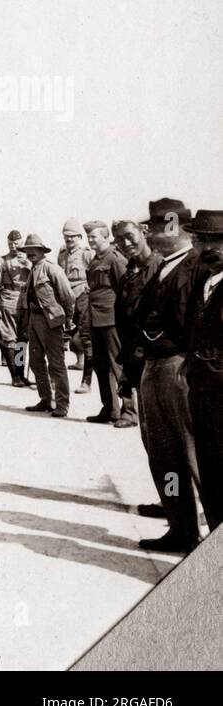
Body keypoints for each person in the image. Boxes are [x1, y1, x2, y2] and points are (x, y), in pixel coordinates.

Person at [124, 198, 201, 552]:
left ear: (173, 225)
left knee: (195, 456)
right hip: (153, 368)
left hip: (179, 368)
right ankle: (181, 527)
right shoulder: (160, 268)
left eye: (155, 226)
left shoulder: (198, 266)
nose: (149, 232)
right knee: (164, 456)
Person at [183, 209, 223, 532]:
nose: (207, 248)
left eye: (215, 241)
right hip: (203, 394)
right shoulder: (205, 282)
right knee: (211, 475)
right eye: (201, 240)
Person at [18, 233, 75, 418]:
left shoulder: (52, 268)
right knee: (36, 362)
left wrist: (68, 318)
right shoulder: (32, 270)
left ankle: (62, 404)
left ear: (42, 251)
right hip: (34, 320)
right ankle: (45, 400)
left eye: (34, 250)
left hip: (51, 320)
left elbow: (67, 296)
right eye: (27, 250)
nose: (30, 253)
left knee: (56, 364)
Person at [112, 219, 160, 430]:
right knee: (148, 429)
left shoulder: (159, 266)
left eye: (129, 236)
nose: (125, 243)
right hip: (134, 351)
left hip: (152, 353)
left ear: (144, 232)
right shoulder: (129, 272)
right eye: (119, 239)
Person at [84, 220, 132, 425]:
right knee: (100, 365)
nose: (90, 239)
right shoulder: (95, 260)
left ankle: (129, 411)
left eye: (93, 236)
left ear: (105, 237)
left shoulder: (115, 259)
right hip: (96, 319)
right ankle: (110, 409)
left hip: (112, 319)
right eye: (88, 236)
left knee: (118, 365)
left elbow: (126, 289)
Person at [58, 217, 95, 393]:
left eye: (73, 236)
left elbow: (94, 274)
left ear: (79, 237)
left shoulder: (86, 254)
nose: (69, 239)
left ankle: (86, 381)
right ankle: (76, 364)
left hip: (83, 297)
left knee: (86, 338)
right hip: (67, 298)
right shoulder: (62, 254)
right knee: (69, 334)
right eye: (66, 236)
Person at [0, 231, 32, 387]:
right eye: (10, 244)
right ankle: (14, 376)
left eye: (16, 243)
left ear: (22, 242)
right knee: (9, 339)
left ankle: (21, 374)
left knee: (22, 339)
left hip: (26, 301)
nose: (13, 246)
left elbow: (38, 275)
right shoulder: (2, 261)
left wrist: (28, 264)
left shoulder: (30, 259)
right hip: (8, 300)